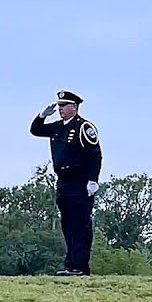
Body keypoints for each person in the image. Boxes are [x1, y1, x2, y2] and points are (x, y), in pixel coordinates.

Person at [30, 89, 102, 276]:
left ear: (75, 107)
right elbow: (35, 131)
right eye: (59, 106)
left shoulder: (83, 128)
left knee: (80, 224)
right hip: (63, 182)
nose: (61, 109)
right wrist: (41, 116)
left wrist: (93, 180)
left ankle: (80, 265)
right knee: (67, 224)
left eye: (64, 106)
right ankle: (71, 264)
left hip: (80, 182)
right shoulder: (57, 127)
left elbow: (95, 155)